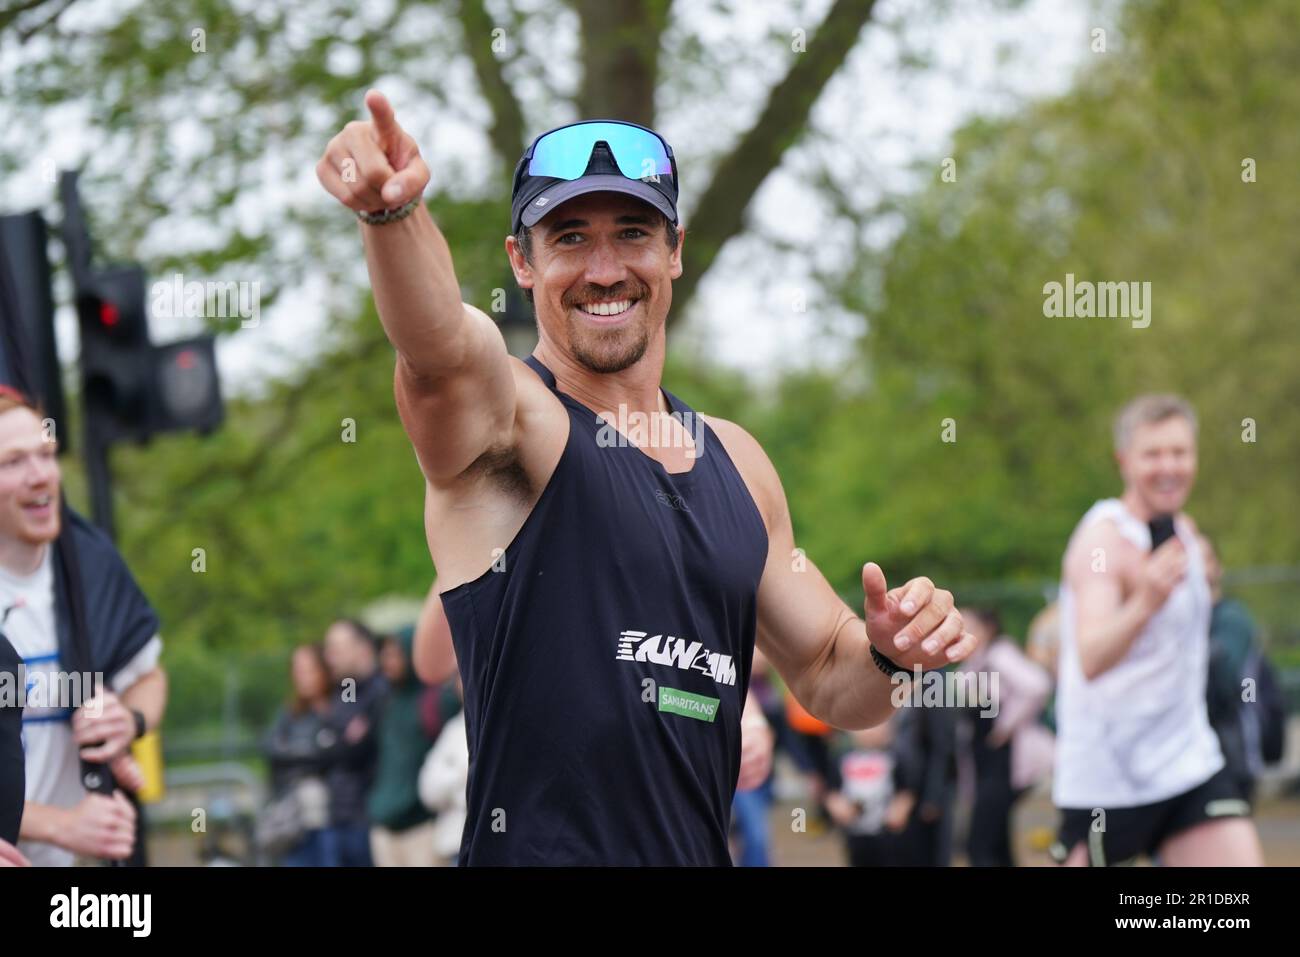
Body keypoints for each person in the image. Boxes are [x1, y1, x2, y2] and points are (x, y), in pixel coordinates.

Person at [316, 94, 975, 865]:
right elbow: (438, 347)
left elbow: (833, 675)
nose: (604, 269)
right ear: (522, 261)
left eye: (632, 232)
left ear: (674, 251)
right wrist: (393, 217)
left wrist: (895, 652)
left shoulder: (739, 462)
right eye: (570, 237)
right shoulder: (513, 427)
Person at [1051, 394, 1262, 867]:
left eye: (1179, 453)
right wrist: (1145, 602)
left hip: (1188, 765)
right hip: (1110, 782)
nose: (1169, 466)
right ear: (1124, 461)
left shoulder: (1185, 532)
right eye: (1153, 454)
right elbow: (1091, 656)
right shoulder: (1101, 540)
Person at [0, 387, 167, 866]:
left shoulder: (89, 565)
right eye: (13, 462)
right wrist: (62, 825)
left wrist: (128, 720)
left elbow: (148, 676)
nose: (41, 477)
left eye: (46, 455)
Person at [958, 607, 1053, 867]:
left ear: (987, 629)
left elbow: (1037, 685)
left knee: (980, 842)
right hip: (984, 765)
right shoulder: (971, 666)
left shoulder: (999, 655)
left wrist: (1006, 726)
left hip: (1003, 763)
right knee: (997, 841)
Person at [367, 627, 437, 866]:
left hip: (422, 827)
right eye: (384, 654)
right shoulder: (386, 702)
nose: (388, 661)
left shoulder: (434, 700)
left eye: (395, 654)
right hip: (384, 827)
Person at [320, 617, 387, 866]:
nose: (328, 657)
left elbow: (352, 749)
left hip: (369, 820)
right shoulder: (342, 693)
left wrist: (340, 744)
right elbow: (327, 748)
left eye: (336, 649)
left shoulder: (383, 691)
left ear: (363, 648)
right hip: (338, 816)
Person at [262, 644, 334, 866]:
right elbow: (270, 748)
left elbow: (332, 754)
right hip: (292, 819)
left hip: (328, 817)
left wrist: (295, 753)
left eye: (309, 670)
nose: (302, 677)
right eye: (297, 670)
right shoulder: (289, 712)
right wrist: (310, 753)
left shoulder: (336, 708)